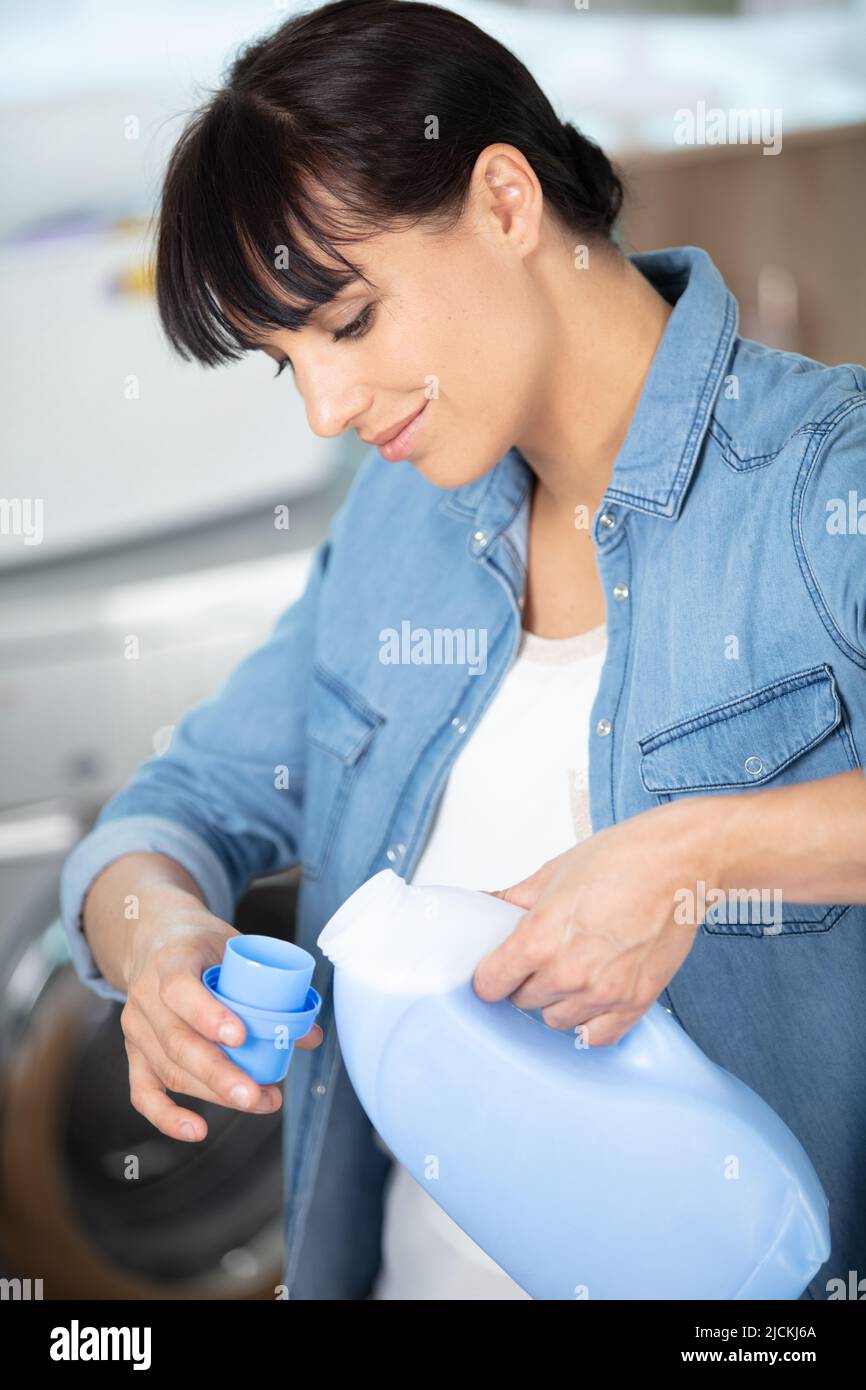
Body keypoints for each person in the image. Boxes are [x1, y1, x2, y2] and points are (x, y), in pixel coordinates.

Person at [60, 0, 866, 1301]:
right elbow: (184, 803)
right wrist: (155, 941)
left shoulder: (824, 479)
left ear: (502, 201)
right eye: (286, 364)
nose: (326, 405)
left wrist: (697, 853)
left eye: (350, 321)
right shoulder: (397, 518)